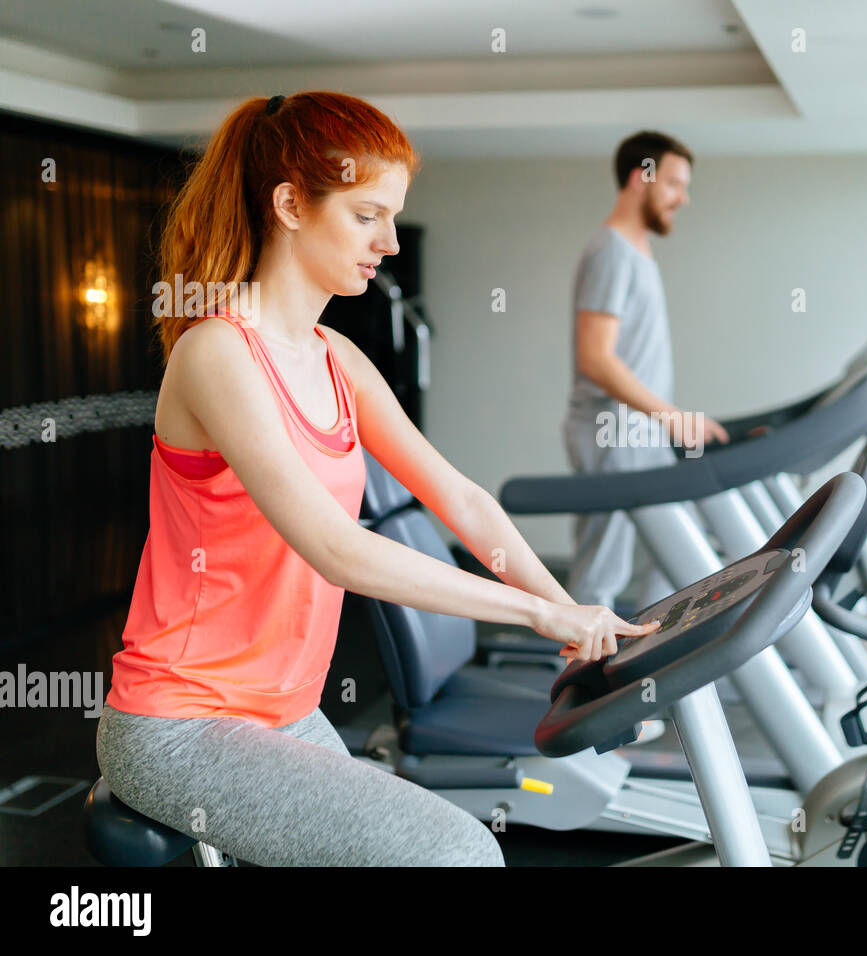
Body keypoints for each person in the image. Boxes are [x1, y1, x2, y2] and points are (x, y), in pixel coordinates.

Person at [97, 91, 659, 867]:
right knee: (459, 856)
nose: (389, 241)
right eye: (367, 215)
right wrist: (533, 613)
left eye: (391, 217)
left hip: (285, 714)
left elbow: (460, 498)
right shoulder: (219, 354)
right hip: (182, 724)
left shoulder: (337, 357)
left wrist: (573, 616)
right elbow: (338, 551)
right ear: (291, 205)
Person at [563, 131, 730, 611]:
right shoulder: (612, 251)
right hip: (613, 431)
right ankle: (576, 685)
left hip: (639, 431)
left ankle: (658, 668)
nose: (684, 197)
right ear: (643, 178)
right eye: (675, 184)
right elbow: (595, 357)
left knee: (677, 554)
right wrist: (674, 417)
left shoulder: (636, 252)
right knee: (601, 571)